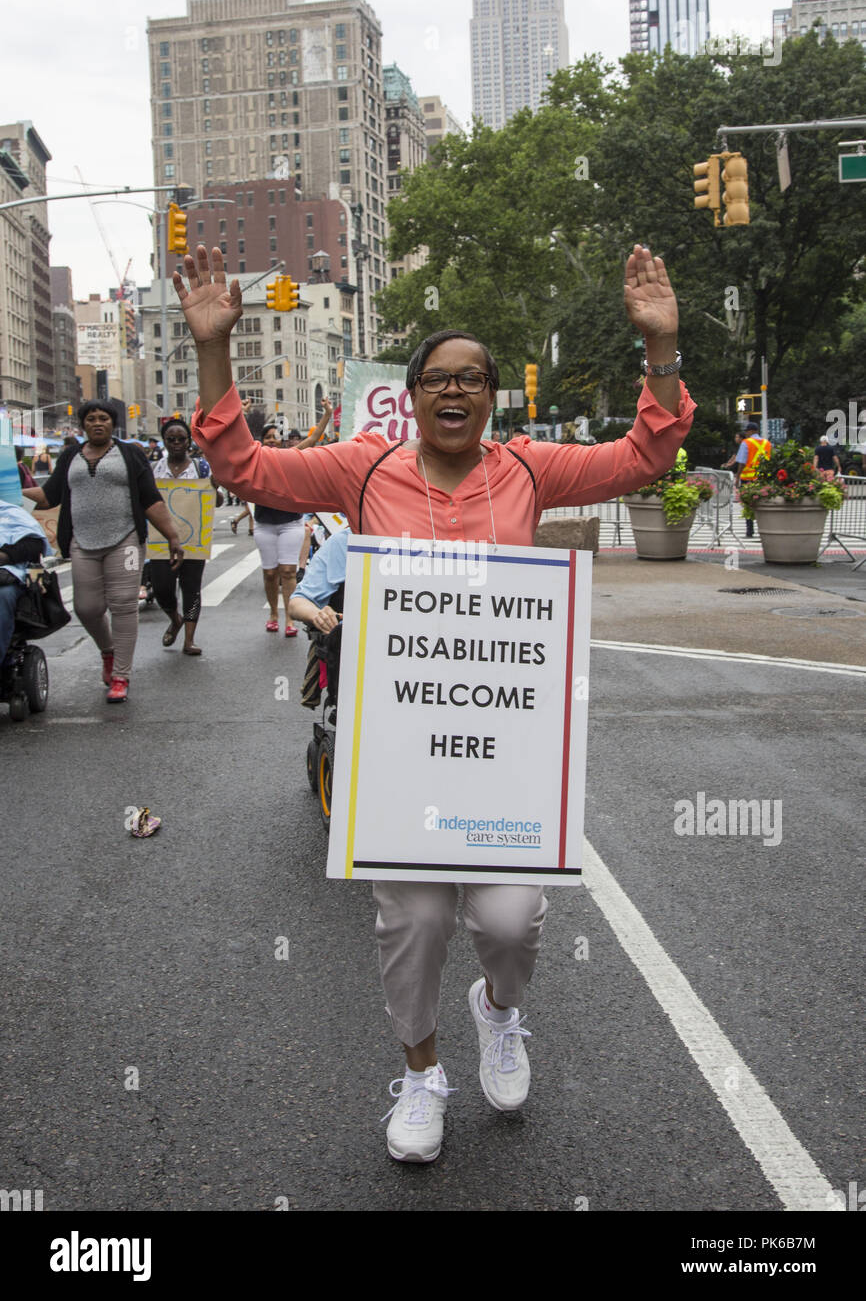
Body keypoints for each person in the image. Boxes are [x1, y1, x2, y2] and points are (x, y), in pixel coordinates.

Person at [178, 242, 695, 1164]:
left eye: (473, 380)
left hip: (505, 755)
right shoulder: (363, 472)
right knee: (411, 921)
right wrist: (217, 350)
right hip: (401, 752)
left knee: (509, 920)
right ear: (411, 395)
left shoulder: (532, 470)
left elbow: (647, 454)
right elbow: (245, 468)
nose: (454, 393)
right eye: (437, 380)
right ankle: (421, 1074)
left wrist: (660, 348)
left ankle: (497, 1013)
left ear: (493, 397)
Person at [21, 399, 182, 703]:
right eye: (92, 418)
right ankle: (108, 652)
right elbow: (48, 496)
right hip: (82, 542)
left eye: (104, 418)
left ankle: (121, 674)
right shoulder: (70, 456)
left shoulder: (130, 453)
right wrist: (11, 494)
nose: (98, 423)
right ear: (83, 425)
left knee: (123, 605)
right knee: (87, 607)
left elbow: (151, 499)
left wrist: (173, 537)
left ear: (112, 423)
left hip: (126, 540)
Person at [233, 407, 333, 635]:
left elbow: (313, 438)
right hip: (264, 524)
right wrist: (241, 412)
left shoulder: (288, 456)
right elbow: (237, 440)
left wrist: (326, 414)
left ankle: (289, 617)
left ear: (281, 441)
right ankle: (273, 614)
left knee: (288, 571)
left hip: (291, 523)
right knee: (270, 573)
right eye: (267, 438)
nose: (271, 441)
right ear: (261, 441)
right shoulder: (254, 461)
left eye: (275, 438)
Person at [149, 418, 221, 657]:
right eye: (171, 439)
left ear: (189, 441)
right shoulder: (154, 469)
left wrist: (213, 488)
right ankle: (174, 618)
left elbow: (217, 502)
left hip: (193, 541)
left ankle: (189, 639)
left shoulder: (201, 468)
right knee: (161, 588)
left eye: (181, 439)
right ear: (164, 442)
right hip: (161, 541)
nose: (177, 443)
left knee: (191, 588)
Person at [0, 498, 51, 665]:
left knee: (3, 595)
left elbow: (35, 545)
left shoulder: (9, 513)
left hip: (6, 579)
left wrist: (5, 556)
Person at [734, 421, 771, 539]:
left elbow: (742, 462)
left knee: (748, 504)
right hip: (763, 478)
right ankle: (764, 528)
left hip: (748, 478)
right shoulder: (767, 443)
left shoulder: (746, 443)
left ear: (751, 431)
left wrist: (738, 476)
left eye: (747, 431)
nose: (746, 433)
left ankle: (750, 531)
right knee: (763, 503)